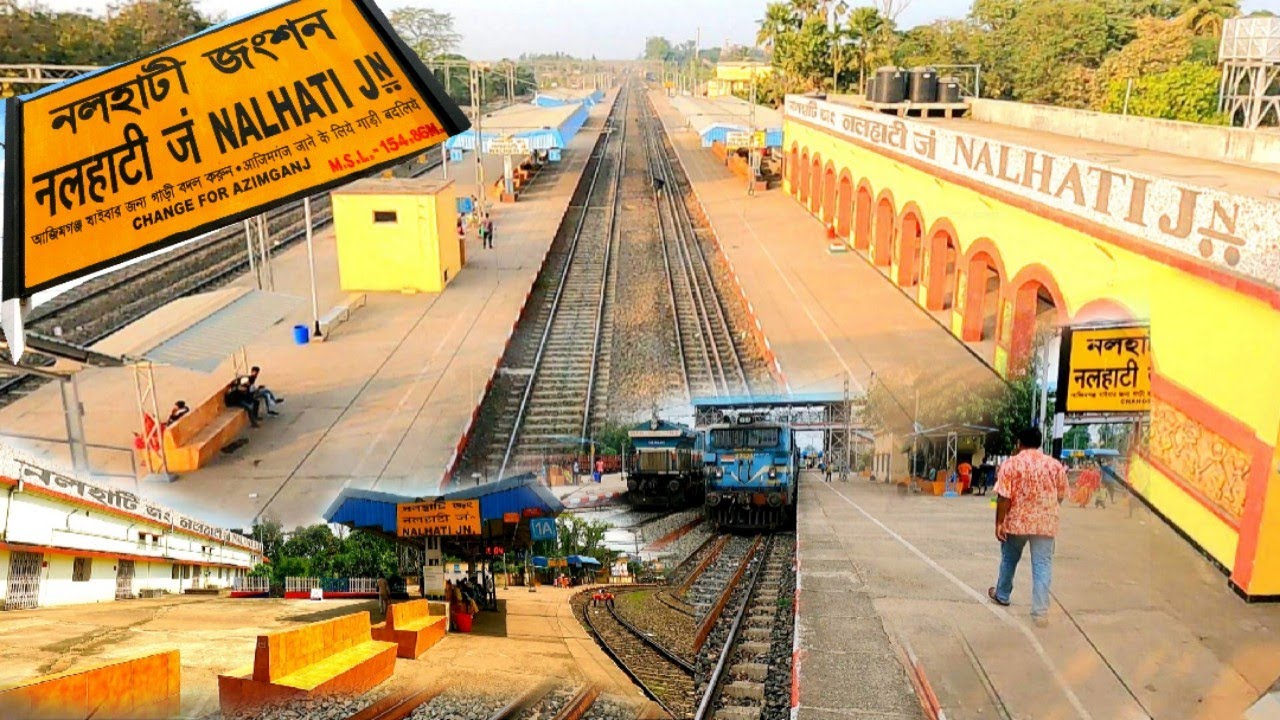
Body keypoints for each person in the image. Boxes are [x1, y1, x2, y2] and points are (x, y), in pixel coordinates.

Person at [989, 426, 1069, 627]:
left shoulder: (1011, 464)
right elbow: (1060, 495)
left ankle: (1003, 594)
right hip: (1045, 524)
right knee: (1042, 566)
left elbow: (1003, 497)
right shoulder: (1054, 465)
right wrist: (1046, 510)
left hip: (1017, 522)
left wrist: (999, 522)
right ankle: (1040, 612)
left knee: (1009, 559)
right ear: (1040, 442)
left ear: (1019, 442)